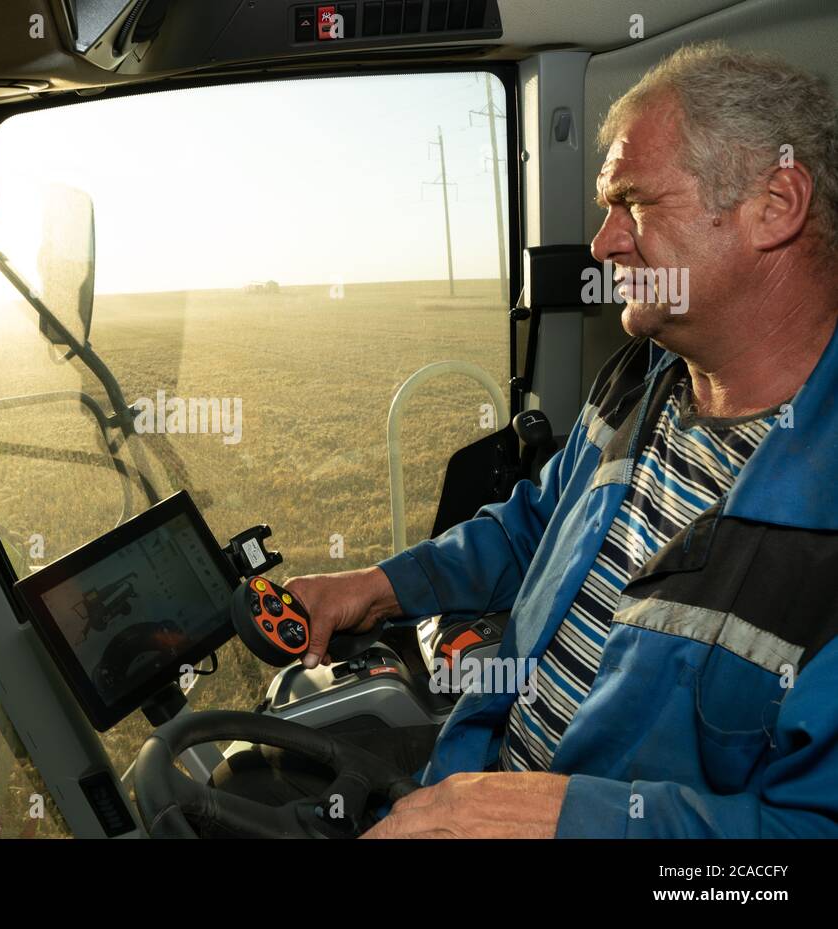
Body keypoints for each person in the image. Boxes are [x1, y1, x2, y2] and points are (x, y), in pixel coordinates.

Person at [213, 41, 838, 838]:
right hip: (476, 766)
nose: (605, 243)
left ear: (776, 205)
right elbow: (534, 527)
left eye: (633, 202)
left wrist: (559, 819)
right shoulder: (641, 378)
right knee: (233, 786)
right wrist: (376, 585)